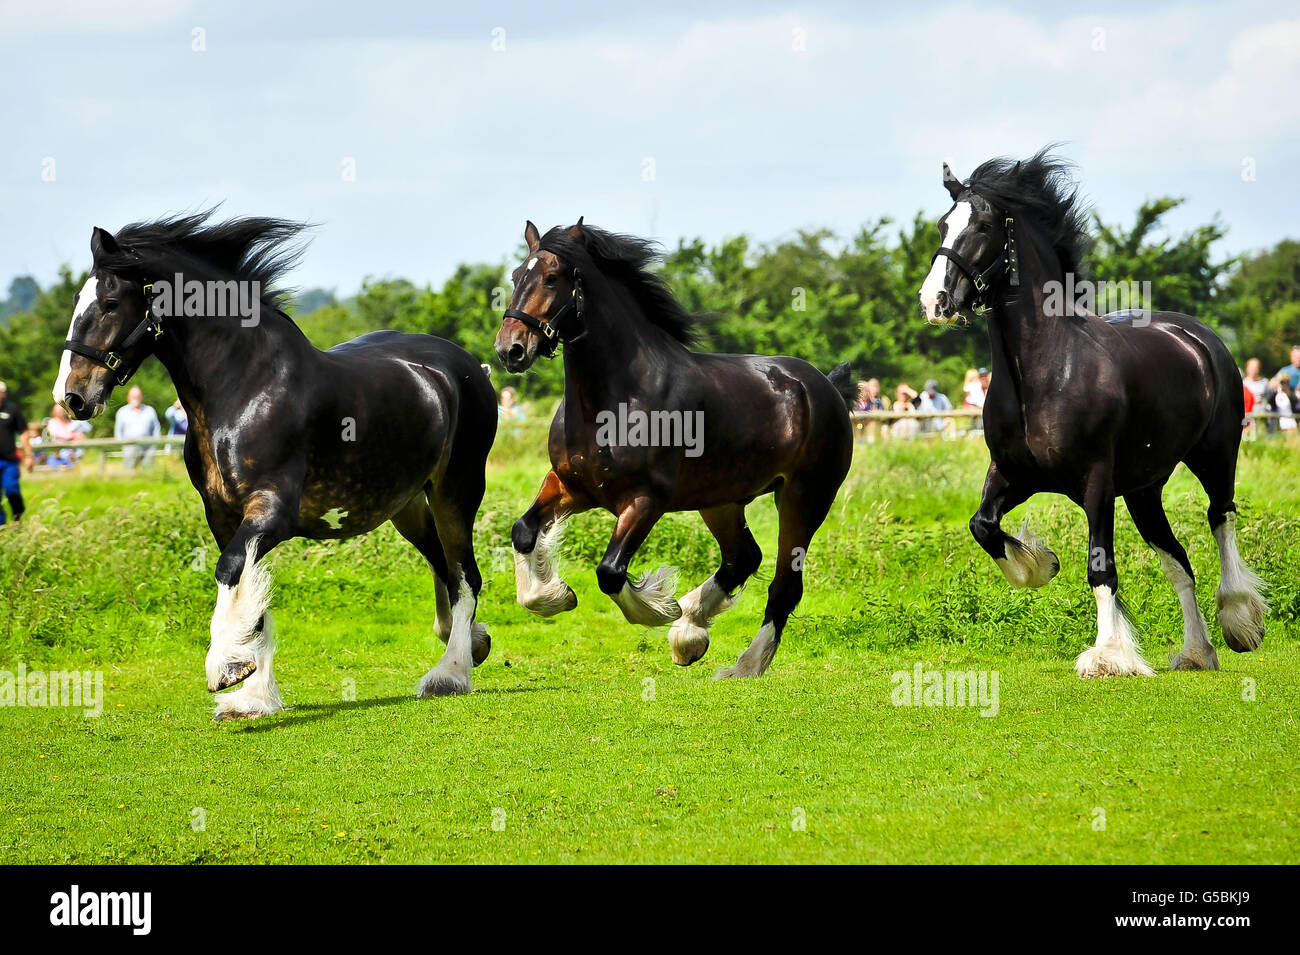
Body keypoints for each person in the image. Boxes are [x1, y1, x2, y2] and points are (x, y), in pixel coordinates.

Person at [0, 380, 30, 526]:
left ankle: (18, 517)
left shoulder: (12, 410)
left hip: (9, 461)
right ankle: (2, 526)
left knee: (11, 489)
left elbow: (23, 433)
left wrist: (29, 455)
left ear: (3, 393)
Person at [114, 385, 161, 470]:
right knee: (129, 474)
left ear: (141, 397)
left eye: (137, 396)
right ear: (128, 397)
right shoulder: (122, 412)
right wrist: (123, 446)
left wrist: (154, 445)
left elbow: (156, 429)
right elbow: (118, 432)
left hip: (148, 447)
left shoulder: (150, 410)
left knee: (149, 473)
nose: (135, 398)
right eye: (133, 396)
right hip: (129, 448)